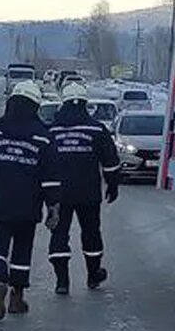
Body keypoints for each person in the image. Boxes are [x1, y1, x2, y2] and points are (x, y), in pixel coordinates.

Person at [0, 80, 60, 321]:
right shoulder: (43, 137)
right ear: (35, 105)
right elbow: (51, 176)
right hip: (28, 207)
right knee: (22, 249)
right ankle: (16, 298)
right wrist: (53, 206)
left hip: (0, 203)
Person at [45, 82, 122, 295]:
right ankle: (93, 274)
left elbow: (42, 162)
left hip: (58, 194)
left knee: (59, 234)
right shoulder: (96, 129)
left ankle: (62, 281)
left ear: (63, 103)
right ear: (85, 104)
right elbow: (111, 161)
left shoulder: (52, 130)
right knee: (91, 233)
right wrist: (113, 185)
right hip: (88, 193)